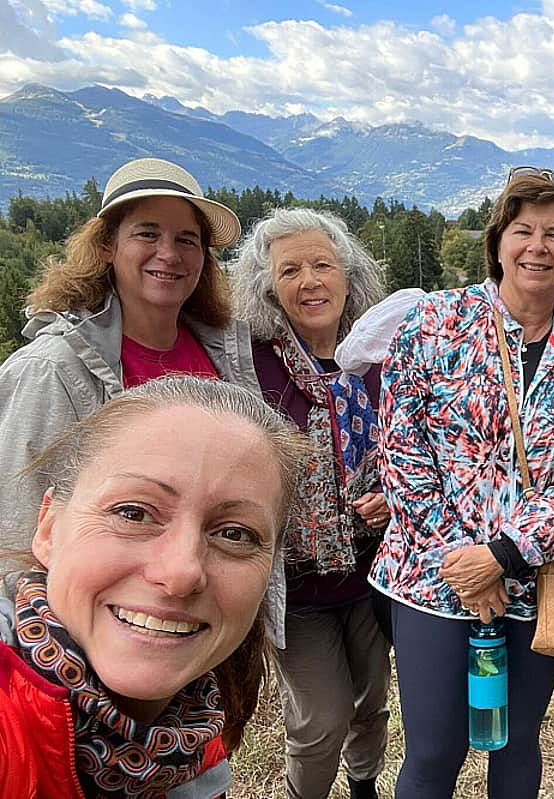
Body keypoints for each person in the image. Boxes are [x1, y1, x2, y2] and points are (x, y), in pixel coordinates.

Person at [370, 167, 554, 799]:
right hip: (431, 574)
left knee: (516, 743)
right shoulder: (438, 321)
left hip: (537, 577)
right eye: (524, 230)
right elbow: (402, 447)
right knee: (435, 747)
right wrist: (465, 562)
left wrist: (505, 555)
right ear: (499, 241)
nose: (539, 247)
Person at [0, 376, 310, 799]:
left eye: (235, 534)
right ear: (50, 528)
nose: (181, 572)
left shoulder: (194, 733)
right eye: (133, 512)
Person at [0, 157, 252, 556]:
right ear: (106, 246)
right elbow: (13, 534)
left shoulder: (226, 355)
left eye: (187, 239)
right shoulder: (50, 370)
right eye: (147, 234)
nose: (168, 254)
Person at [230, 208, 390, 799]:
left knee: (372, 702)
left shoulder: (382, 351)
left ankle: (365, 785)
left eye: (322, 264)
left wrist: (391, 496)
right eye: (290, 270)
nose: (310, 281)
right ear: (270, 289)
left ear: (349, 276)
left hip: (376, 574)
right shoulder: (253, 363)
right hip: (297, 584)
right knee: (321, 719)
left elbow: (418, 445)